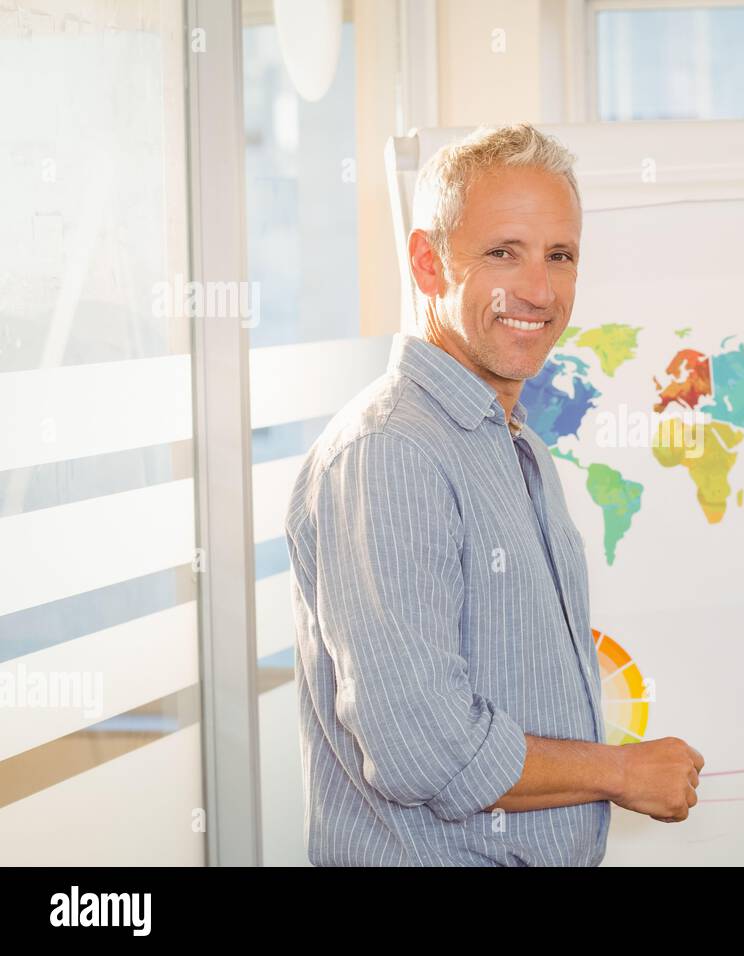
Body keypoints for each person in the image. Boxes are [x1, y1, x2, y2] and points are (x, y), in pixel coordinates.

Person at [286, 122, 704, 866]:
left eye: (560, 256)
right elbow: (422, 746)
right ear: (427, 262)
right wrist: (621, 772)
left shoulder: (512, 445)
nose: (539, 291)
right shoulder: (392, 453)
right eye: (502, 252)